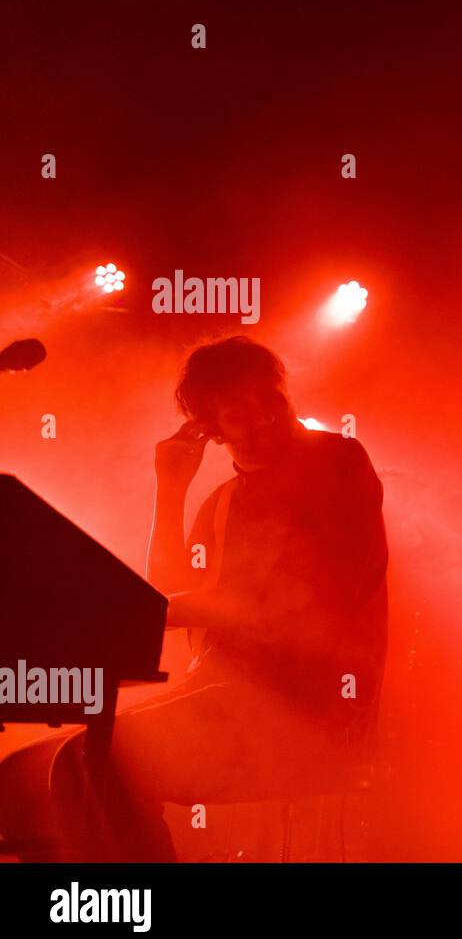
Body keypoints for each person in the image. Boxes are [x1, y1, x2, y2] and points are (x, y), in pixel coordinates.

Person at [0, 335, 388, 860]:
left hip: (309, 710)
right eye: (239, 410)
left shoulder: (337, 461)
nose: (264, 416)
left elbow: (296, 601)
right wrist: (171, 487)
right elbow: (169, 595)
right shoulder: (223, 502)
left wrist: (123, 611)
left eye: (269, 398)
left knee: (96, 758)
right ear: (207, 425)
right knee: (18, 780)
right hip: (223, 695)